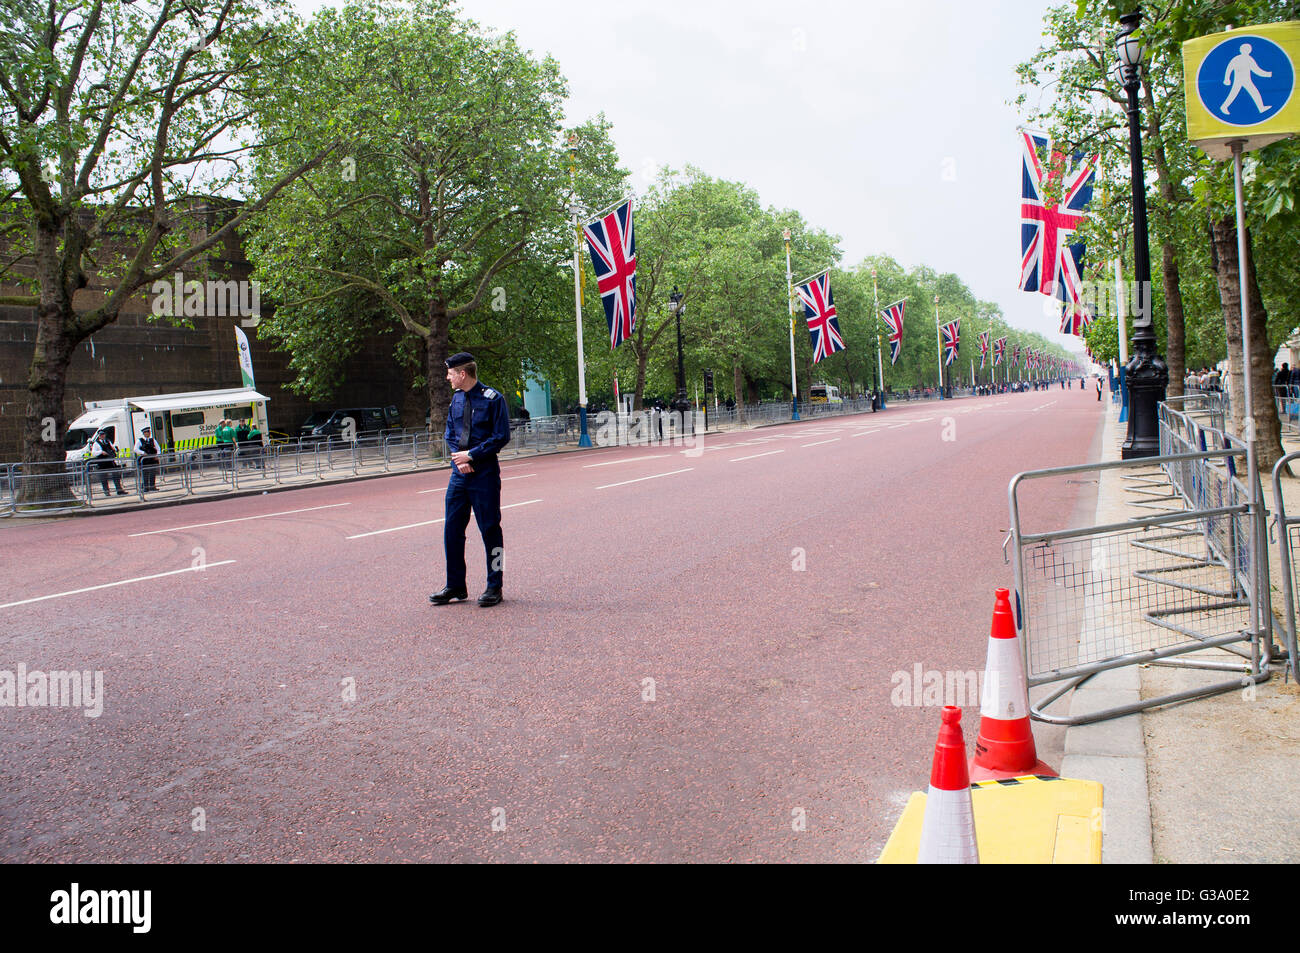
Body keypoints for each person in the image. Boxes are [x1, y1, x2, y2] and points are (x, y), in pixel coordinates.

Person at [430, 352, 512, 608]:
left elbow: (501, 436)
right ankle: (455, 585)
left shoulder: (493, 399)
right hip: (459, 475)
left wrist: (472, 456)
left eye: (451, 373)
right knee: (452, 529)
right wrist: (459, 459)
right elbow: (450, 433)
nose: (448, 377)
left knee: (490, 529)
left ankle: (494, 585)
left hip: (484, 474)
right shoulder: (455, 399)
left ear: (462, 374)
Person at [91, 428, 127, 497]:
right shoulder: (96, 443)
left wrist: (114, 449)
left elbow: (113, 448)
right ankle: (106, 492)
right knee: (104, 478)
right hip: (102, 462)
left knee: (116, 476)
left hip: (110, 461)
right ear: (99, 436)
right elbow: (93, 453)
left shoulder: (108, 441)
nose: (102, 436)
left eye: (103, 434)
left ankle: (119, 490)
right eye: (101, 435)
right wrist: (101, 452)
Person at [134, 426, 161, 491]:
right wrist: (143, 452)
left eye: (149, 432)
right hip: (145, 460)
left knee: (152, 473)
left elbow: (158, 449)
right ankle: (146, 487)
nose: (148, 433)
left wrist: (157, 455)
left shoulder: (153, 440)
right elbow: (135, 449)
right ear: (144, 433)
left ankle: (152, 486)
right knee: (145, 474)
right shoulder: (140, 440)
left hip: (152, 459)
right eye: (146, 432)